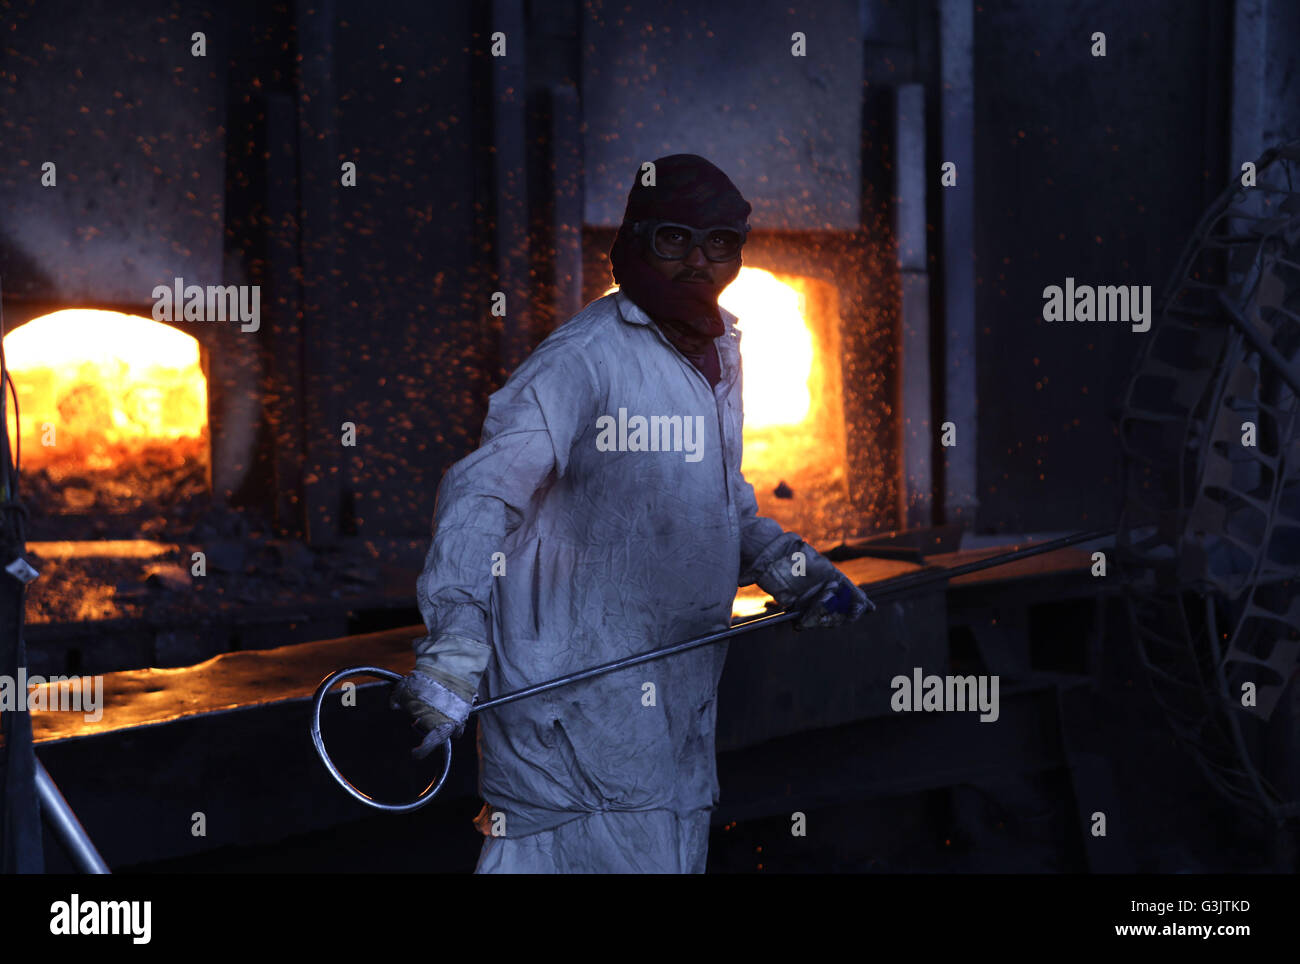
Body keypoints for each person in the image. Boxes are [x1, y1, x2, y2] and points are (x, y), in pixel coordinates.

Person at [393, 153, 872, 873]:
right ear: (632, 243)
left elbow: (720, 497)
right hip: (569, 717)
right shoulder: (581, 360)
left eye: (720, 244)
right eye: (673, 239)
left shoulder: (718, 353)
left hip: (669, 713)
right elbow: (478, 494)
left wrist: (798, 572)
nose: (697, 264)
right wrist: (455, 650)